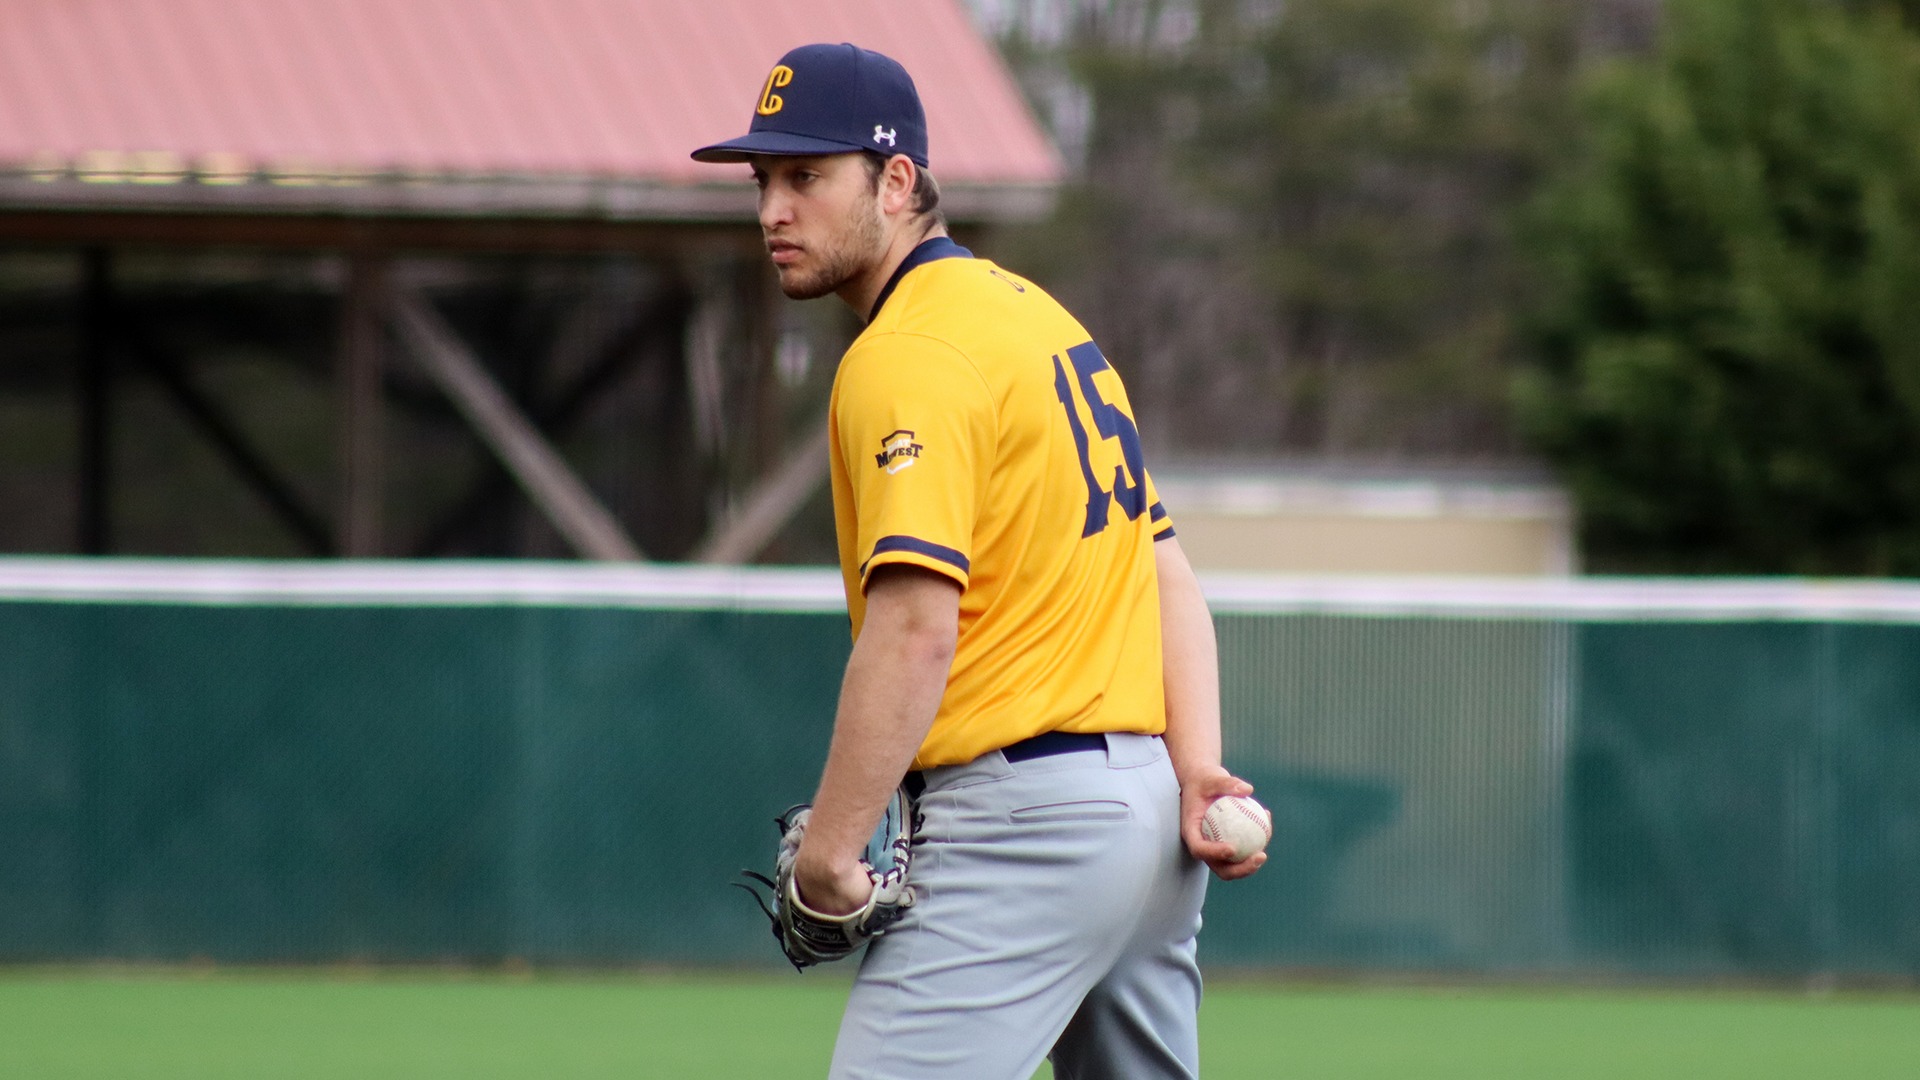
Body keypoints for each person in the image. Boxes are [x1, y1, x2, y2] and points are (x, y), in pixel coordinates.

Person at [692, 42, 1265, 1080]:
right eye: (763, 181)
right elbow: (1164, 571)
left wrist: (830, 851)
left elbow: (915, 628)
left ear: (898, 180)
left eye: (807, 176)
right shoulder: (1044, 325)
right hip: (1144, 823)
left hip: (1024, 830)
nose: (774, 209)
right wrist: (1196, 772)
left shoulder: (907, 353)